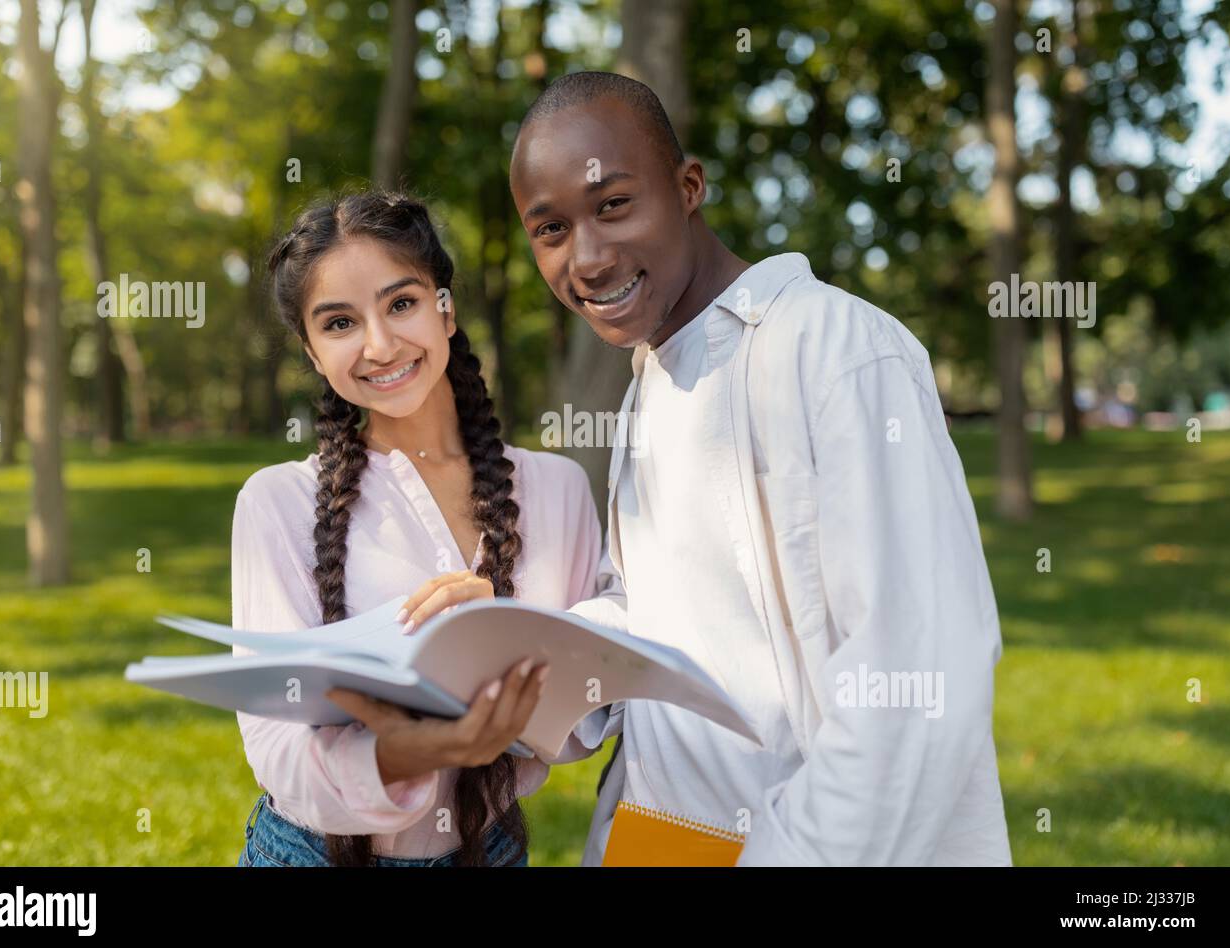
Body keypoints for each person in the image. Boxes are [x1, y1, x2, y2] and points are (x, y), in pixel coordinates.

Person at [507, 71, 1014, 865]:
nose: (590, 258)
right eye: (550, 230)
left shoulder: (836, 350)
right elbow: (663, 619)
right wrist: (506, 657)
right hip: (655, 842)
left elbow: (915, 682)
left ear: (689, 186)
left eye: (613, 206)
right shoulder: (651, 380)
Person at [231, 190, 604, 867]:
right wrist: (408, 753)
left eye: (401, 304)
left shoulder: (558, 491)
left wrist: (508, 636)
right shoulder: (276, 503)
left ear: (445, 308)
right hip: (312, 854)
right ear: (314, 354)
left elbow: (583, 731)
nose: (380, 344)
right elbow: (276, 751)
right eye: (339, 323)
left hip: (486, 851)